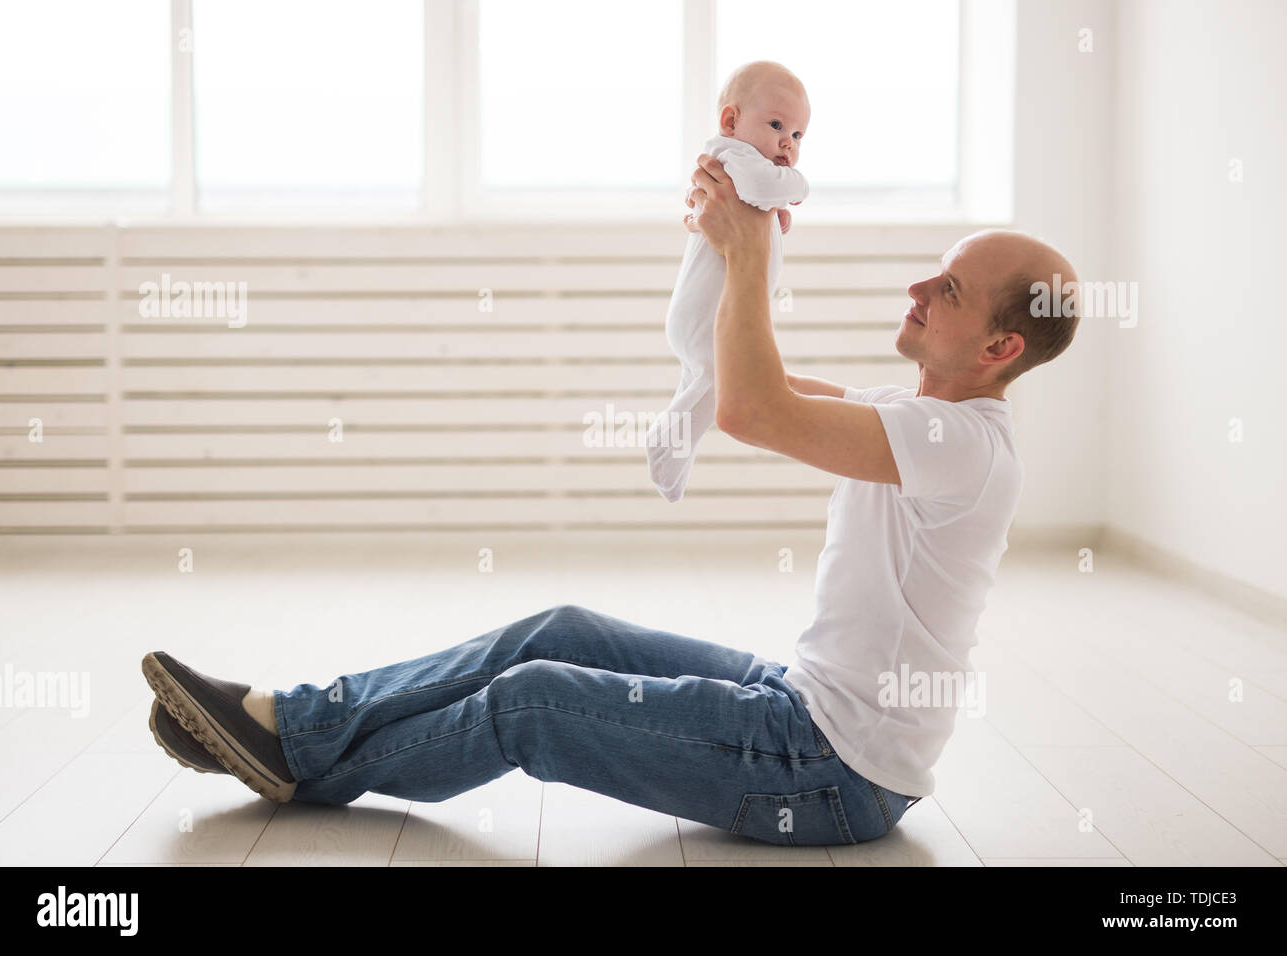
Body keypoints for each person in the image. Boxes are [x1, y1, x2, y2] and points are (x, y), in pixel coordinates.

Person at [141, 155, 1080, 848]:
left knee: (535, 703)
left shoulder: (964, 447)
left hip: (833, 773)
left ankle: (296, 763)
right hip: (805, 706)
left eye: (948, 289)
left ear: (1000, 350)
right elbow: (742, 382)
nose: (919, 287)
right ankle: (291, 719)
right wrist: (731, 246)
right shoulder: (914, 416)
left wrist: (751, 251)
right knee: (563, 628)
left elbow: (753, 412)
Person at [647, 60, 809, 502]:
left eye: (797, 136)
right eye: (776, 124)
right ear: (731, 121)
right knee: (721, 381)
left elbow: (758, 200)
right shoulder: (736, 157)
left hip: (699, 314)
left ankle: (675, 451)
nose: (787, 143)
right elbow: (765, 186)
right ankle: (667, 444)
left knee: (702, 380)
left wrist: (774, 222)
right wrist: (796, 186)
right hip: (707, 315)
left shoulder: (739, 169)